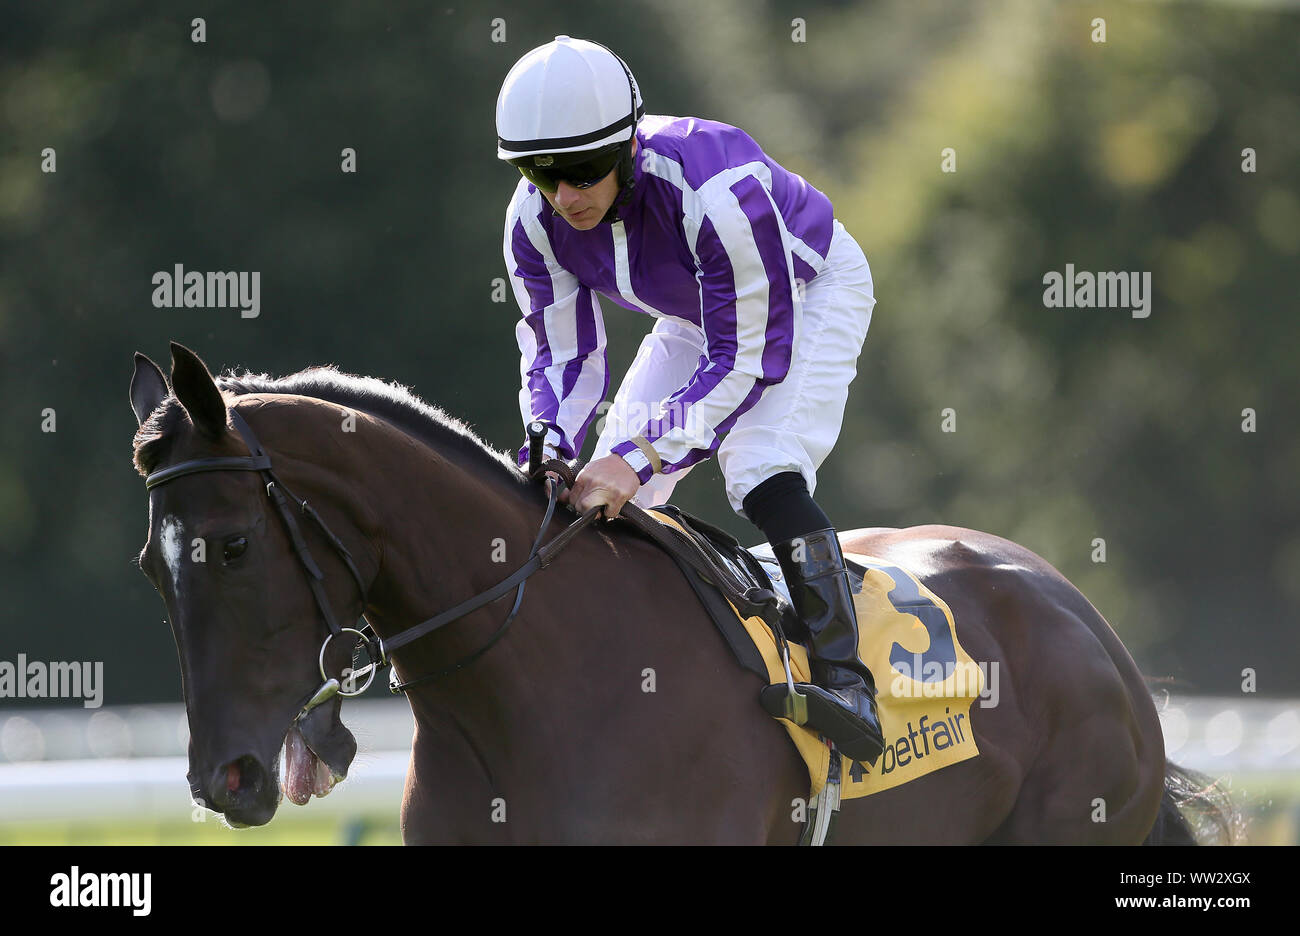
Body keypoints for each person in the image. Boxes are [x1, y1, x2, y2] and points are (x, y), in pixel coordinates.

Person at [497, 36, 883, 765]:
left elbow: (747, 360)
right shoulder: (532, 220)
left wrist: (639, 456)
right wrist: (548, 448)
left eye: (582, 171)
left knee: (759, 463)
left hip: (807, 290)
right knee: (598, 491)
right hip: (695, 313)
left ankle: (846, 681)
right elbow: (562, 355)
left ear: (626, 148)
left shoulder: (715, 186)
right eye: (539, 173)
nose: (564, 196)